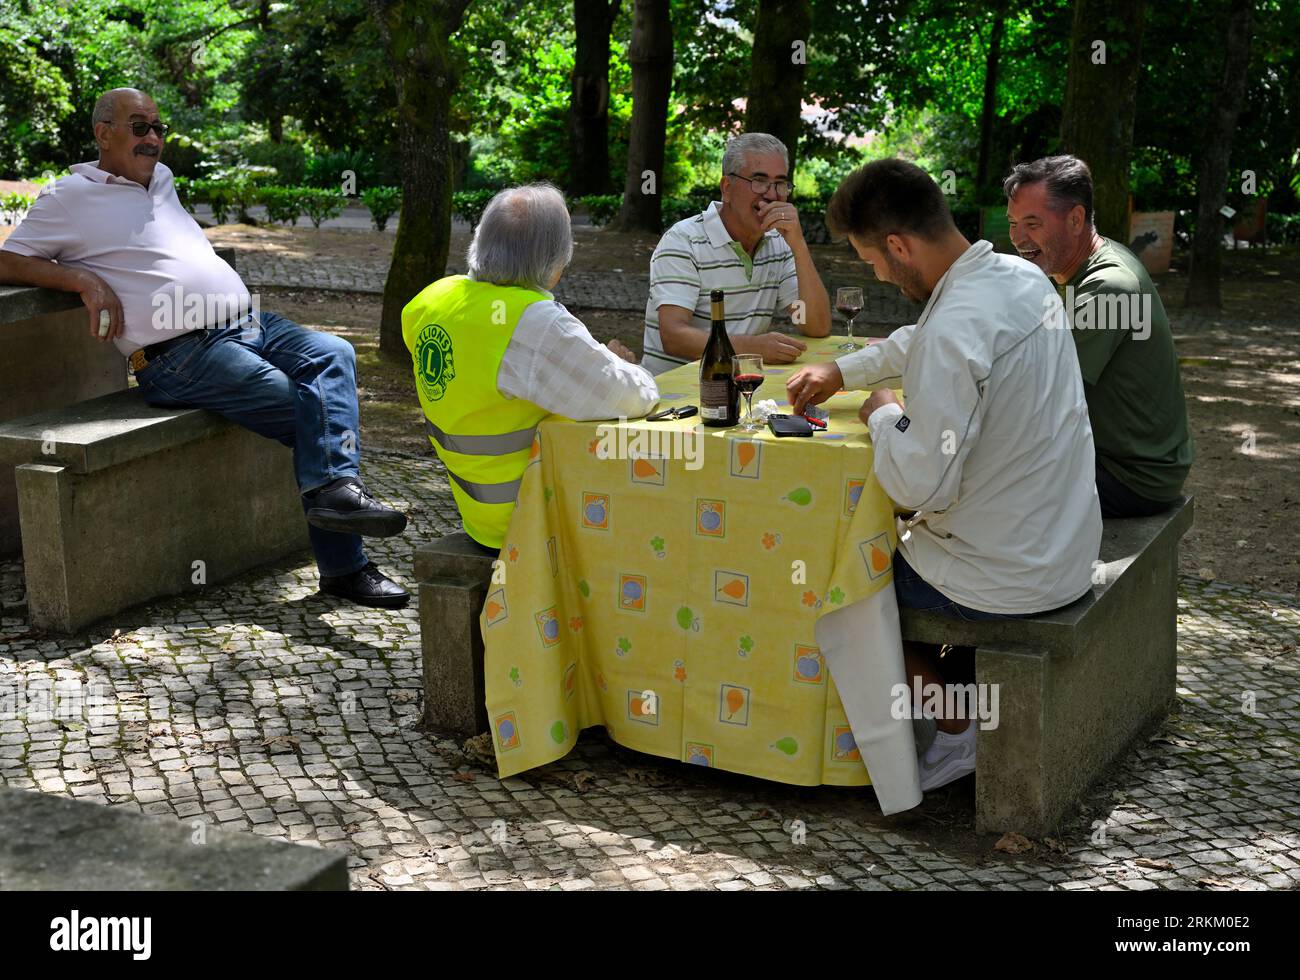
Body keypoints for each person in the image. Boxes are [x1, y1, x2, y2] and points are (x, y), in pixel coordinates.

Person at [0, 88, 410, 609]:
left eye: (158, 126)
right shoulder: (68, 196)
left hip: (248, 322)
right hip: (178, 355)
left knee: (335, 354)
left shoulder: (163, 181)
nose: (153, 137)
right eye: (138, 126)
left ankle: (338, 512)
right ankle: (346, 565)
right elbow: (6, 261)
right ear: (103, 133)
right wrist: (80, 279)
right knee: (309, 408)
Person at [787, 158, 1102, 791]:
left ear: (899, 245)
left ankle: (954, 735)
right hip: (1066, 546)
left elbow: (917, 487)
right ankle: (948, 699)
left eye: (872, 259)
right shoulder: (1017, 278)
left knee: (829, 577)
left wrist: (883, 414)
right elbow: (927, 337)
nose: (874, 272)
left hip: (1007, 574)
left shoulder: (956, 323)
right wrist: (849, 371)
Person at [403, 183, 659, 552]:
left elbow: (497, 373)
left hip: (477, 511)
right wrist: (619, 363)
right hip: (531, 516)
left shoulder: (434, 298)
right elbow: (631, 397)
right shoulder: (532, 322)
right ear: (553, 261)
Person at [1004, 155, 1193, 517]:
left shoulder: (1107, 287)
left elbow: (1033, 393)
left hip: (1130, 477)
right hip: (1113, 459)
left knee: (976, 488)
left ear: (1076, 219)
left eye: (1032, 223)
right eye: (1013, 223)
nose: (1017, 237)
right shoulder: (1086, 265)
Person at [640, 132, 831, 375]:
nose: (772, 194)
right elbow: (675, 337)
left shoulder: (778, 243)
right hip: (675, 395)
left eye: (780, 183)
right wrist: (752, 348)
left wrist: (799, 245)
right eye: (759, 181)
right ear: (727, 188)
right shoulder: (683, 241)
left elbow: (815, 325)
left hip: (740, 387)